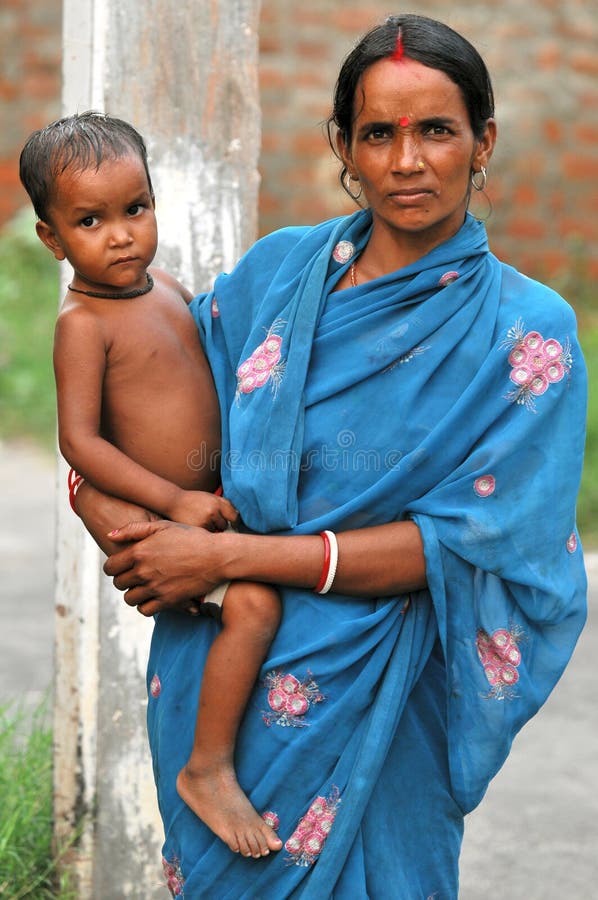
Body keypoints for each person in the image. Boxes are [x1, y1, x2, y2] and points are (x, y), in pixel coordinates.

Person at [75, 14, 586, 899]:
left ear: (482, 141)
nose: (408, 160)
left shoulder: (526, 335)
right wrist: (124, 522)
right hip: (224, 681)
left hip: (384, 690)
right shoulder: (280, 275)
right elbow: (145, 426)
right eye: (378, 133)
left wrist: (227, 555)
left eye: (436, 129)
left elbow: (467, 546)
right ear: (344, 146)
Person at [19, 112, 284, 860]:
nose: (122, 235)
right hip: (162, 518)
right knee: (257, 603)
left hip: (211, 506)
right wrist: (171, 504)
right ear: (52, 239)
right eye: (90, 220)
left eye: (136, 209)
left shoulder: (165, 285)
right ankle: (207, 769)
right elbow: (80, 440)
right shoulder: (83, 324)